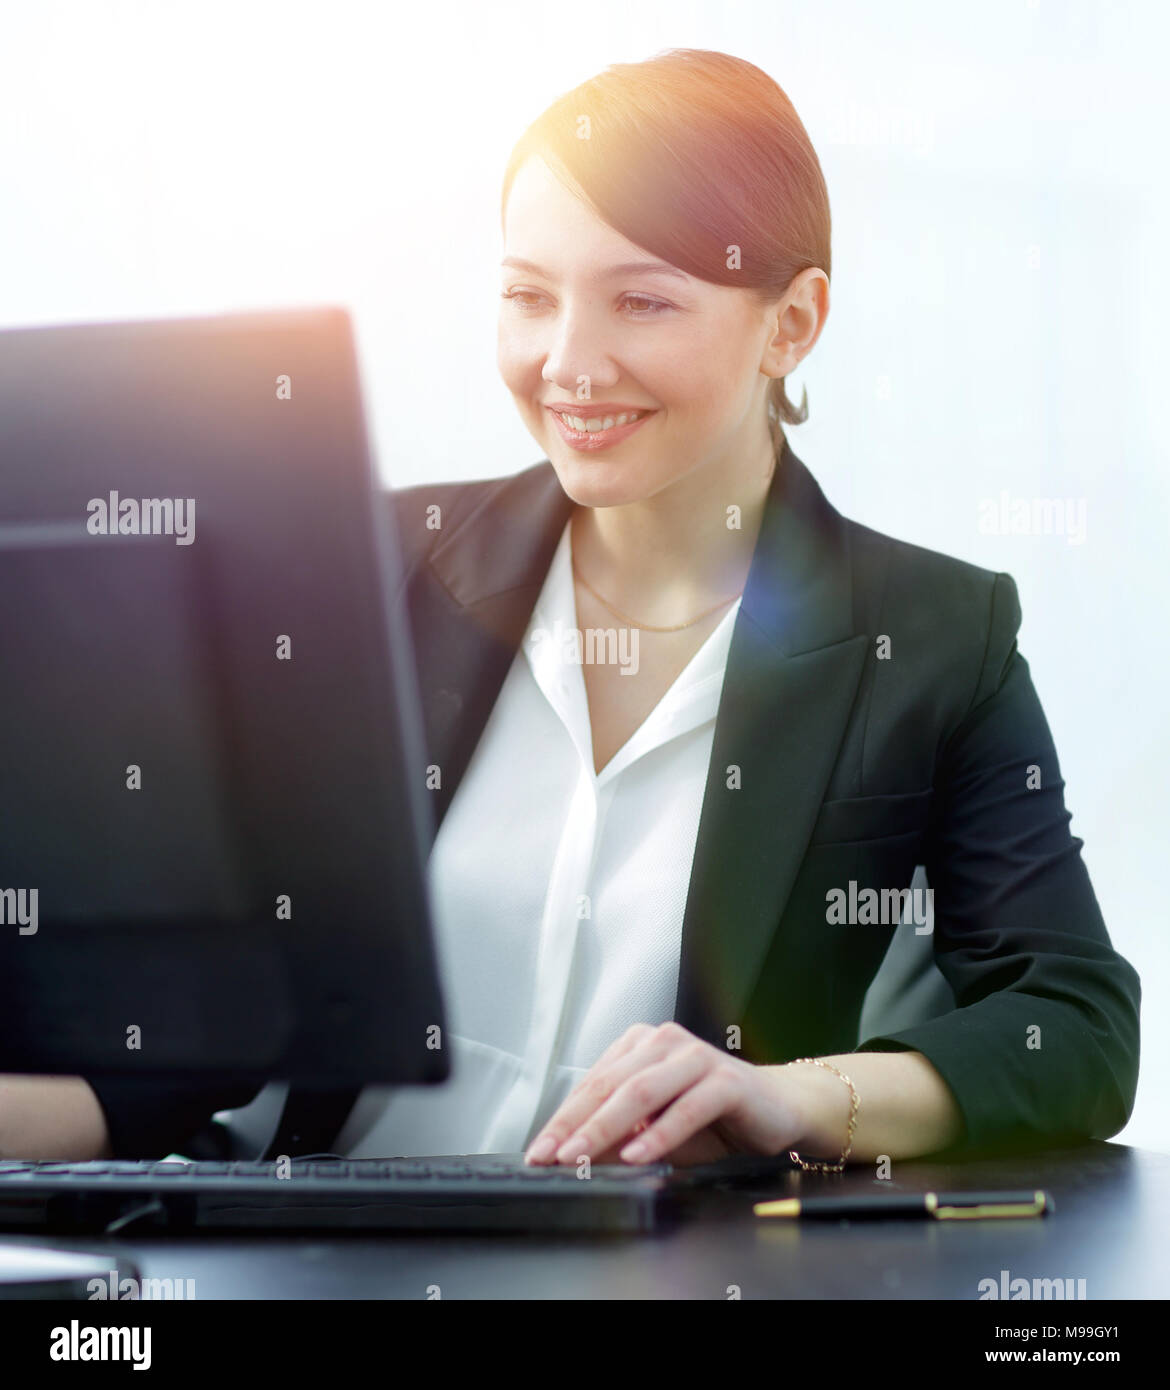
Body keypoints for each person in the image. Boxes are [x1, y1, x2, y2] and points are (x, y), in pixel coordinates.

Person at [0, 48, 1139, 1168]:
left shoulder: (934, 641)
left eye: (641, 301)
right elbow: (180, 1031)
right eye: (528, 298)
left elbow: (1075, 1018)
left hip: (655, 1262)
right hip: (315, 1241)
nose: (569, 363)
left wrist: (791, 1094)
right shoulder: (375, 570)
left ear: (791, 324)